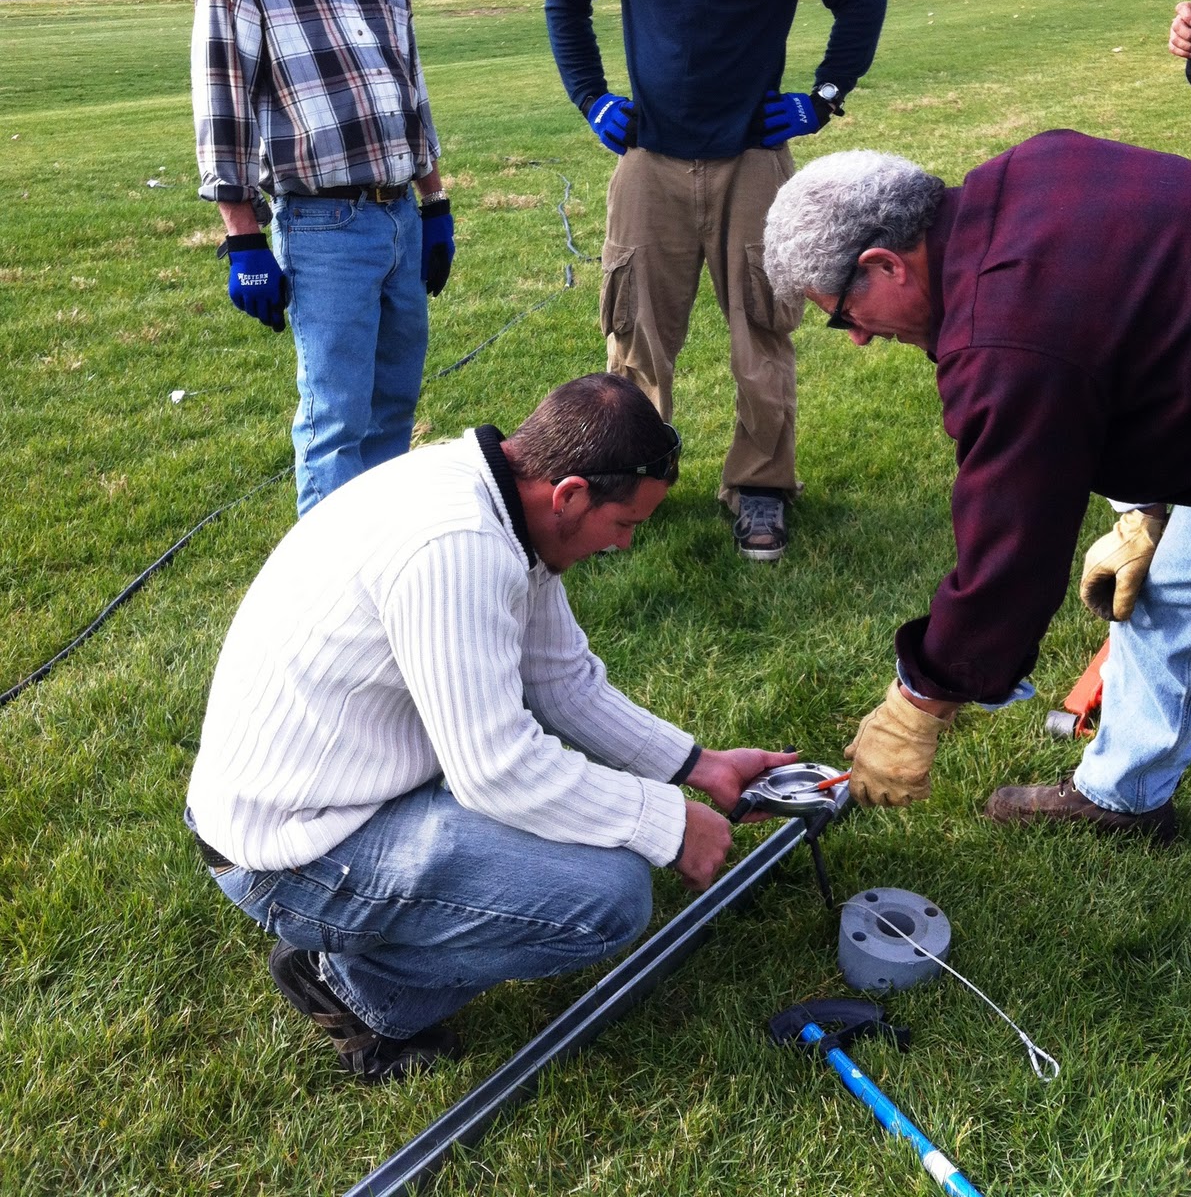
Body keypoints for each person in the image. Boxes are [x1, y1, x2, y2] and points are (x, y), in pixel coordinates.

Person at [186, 374, 793, 1082]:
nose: (624, 545)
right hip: (287, 850)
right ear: (569, 495)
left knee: (596, 851)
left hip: (347, 788)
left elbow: (562, 683)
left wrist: (698, 765)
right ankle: (352, 989)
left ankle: (370, 948)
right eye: (625, 524)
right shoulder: (455, 545)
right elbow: (496, 769)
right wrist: (667, 821)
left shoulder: (498, 501)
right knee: (607, 898)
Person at [763, 126, 1191, 841]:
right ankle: (1126, 800)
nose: (858, 338)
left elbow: (1011, 548)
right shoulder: (1034, 164)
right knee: (1171, 586)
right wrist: (1150, 506)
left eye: (843, 313)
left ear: (885, 264)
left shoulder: (1004, 340)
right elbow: (1146, 322)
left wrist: (921, 699)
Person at [545, 0, 887, 563]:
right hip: (649, 161)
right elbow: (563, 1)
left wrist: (821, 100)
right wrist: (592, 100)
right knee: (635, 337)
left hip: (752, 162)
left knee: (761, 330)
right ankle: (626, 487)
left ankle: (760, 488)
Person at [192, 0, 455, 516]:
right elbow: (224, 110)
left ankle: (378, 556)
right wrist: (243, 241)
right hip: (321, 226)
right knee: (335, 417)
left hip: (399, 215)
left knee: (394, 403)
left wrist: (435, 204)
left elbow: (411, 88)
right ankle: (328, 591)